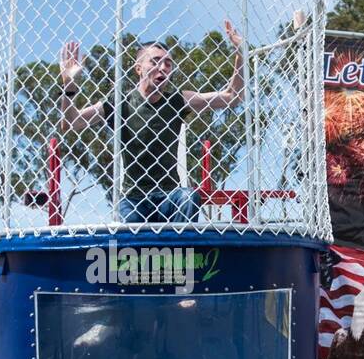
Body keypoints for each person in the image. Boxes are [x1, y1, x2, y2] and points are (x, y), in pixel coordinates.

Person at [59, 22, 244, 223]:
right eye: (155, 61)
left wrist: (240, 53)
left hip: (170, 195)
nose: (163, 68)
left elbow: (233, 97)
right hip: (134, 198)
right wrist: (69, 84)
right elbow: (71, 123)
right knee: (129, 232)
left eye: (168, 63)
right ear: (139, 68)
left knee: (189, 197)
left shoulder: (178, 100)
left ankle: (179, 253)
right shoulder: (120, 103)